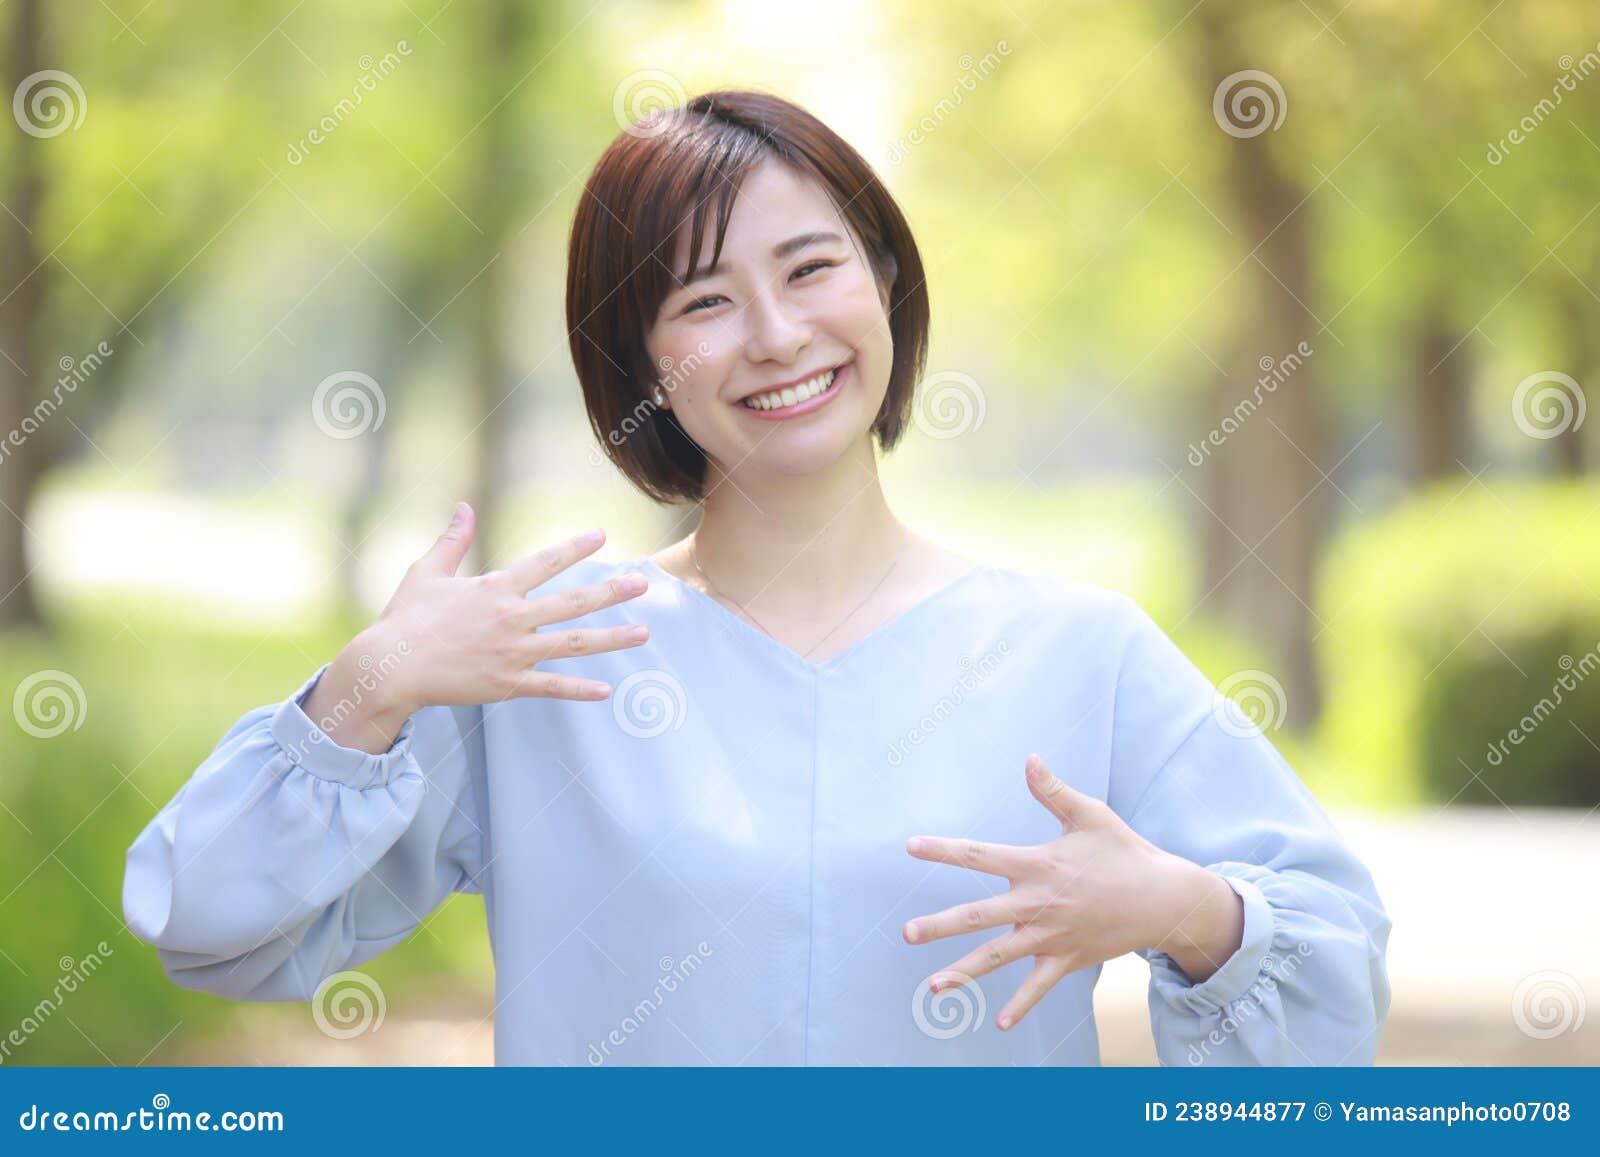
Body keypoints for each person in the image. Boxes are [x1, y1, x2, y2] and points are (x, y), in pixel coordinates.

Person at [123, 89, 1391, 1066]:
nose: (778, 337)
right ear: (639, 362)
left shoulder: (1078, 651)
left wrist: (1181, 906)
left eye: (810, 269)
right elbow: (212, 926)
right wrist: (371, 686)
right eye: (703, 301)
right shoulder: (542, 658)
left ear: (885, 279)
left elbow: (1330, 1000)